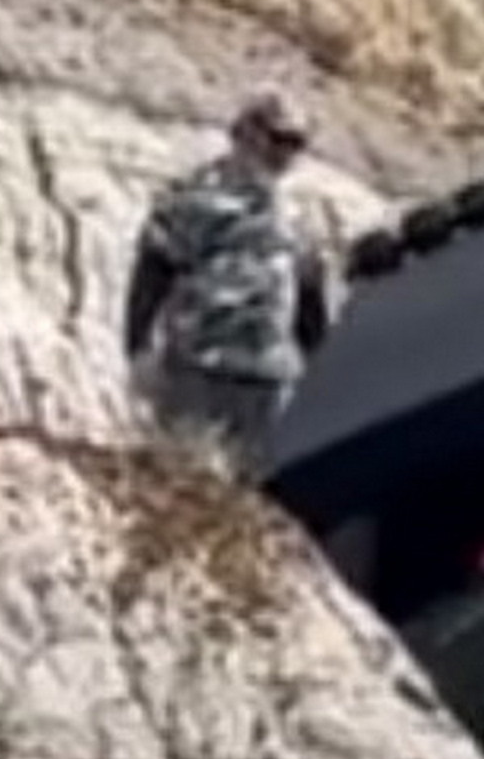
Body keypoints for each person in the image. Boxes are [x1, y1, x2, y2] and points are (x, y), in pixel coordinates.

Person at [123, 88, 330, 473]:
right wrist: (138, 348)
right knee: (184, 484)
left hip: (270, 381)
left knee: (258, 502)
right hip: (198, 371)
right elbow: (153, 271)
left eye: (296, 144)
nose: (285, 153)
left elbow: (309, 295)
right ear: (246, 133)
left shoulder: (298, 214)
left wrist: (322, 371)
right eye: (278, 139)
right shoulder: (196, 198)